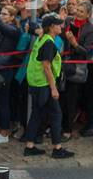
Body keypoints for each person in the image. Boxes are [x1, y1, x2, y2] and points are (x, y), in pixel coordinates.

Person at [22, 13, 74, 160]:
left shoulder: (42, 37)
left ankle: (30, 146)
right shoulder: (49, 43)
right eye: (58, 24)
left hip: (36, 83)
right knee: (56, 115)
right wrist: (53, 88)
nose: (61, 26)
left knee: (37, 114)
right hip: (44, 84)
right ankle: (57, 148)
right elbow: (46, 67)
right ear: (51, 27)